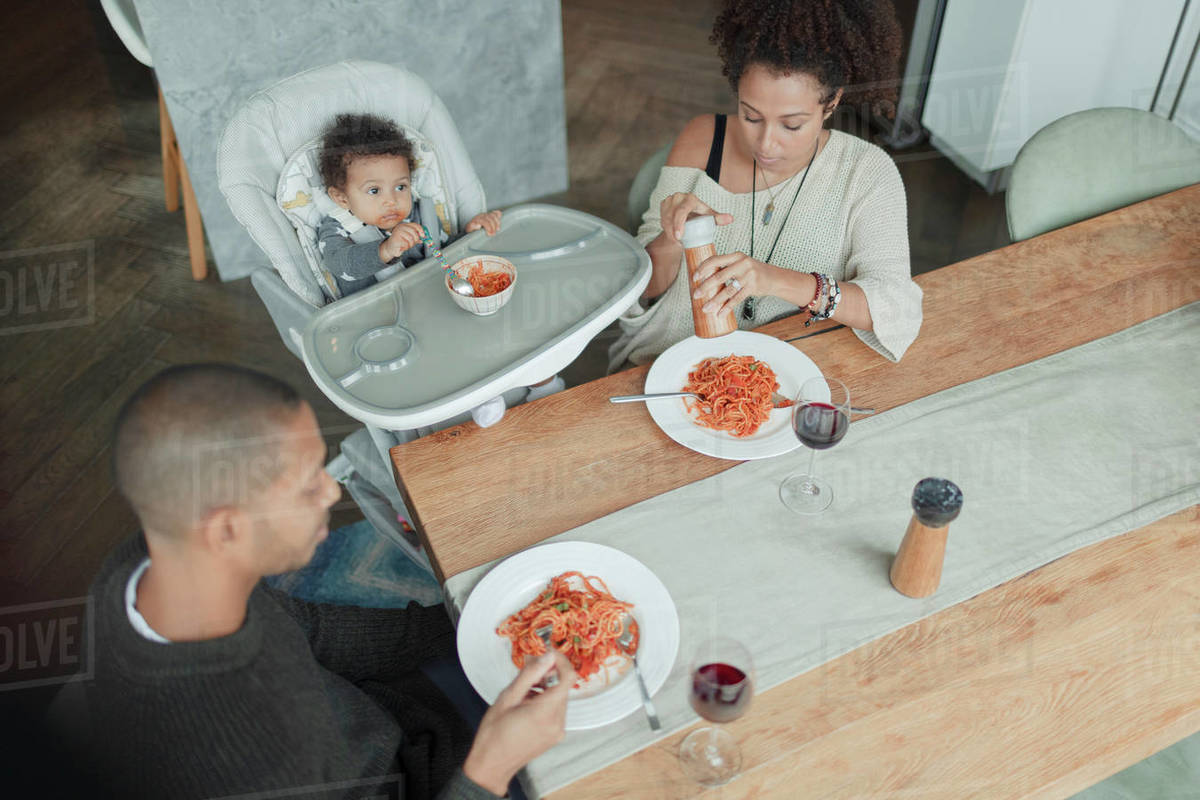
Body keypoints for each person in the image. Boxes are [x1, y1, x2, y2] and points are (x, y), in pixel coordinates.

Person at [86, 363, 572, 799]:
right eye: (306, 484)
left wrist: (471, 620)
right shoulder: (255, 764)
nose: (332, 490)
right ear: (226, 529)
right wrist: (490, 769)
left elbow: (304, 629)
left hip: (377, 727)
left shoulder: (149, 564)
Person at [610, 0, 923, 370]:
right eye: (751, 116)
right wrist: (670, 238)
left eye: (792, 125)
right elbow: (643, 291)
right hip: (664, 366)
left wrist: (778, 281)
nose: (766, 143)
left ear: (832, 101)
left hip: (785, 377)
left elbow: (897, 309)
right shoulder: (702, 139)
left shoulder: (866, 173)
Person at [318, 113, 503, 297]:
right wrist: (385, 249)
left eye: (400, 187)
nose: (391, 200)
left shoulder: (419, 215)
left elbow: (442, 254)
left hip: (430, 298)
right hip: (377, 315)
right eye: (374, 190)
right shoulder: (337, 228)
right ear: (342, 198)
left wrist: (470, 234)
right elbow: (342, 266)